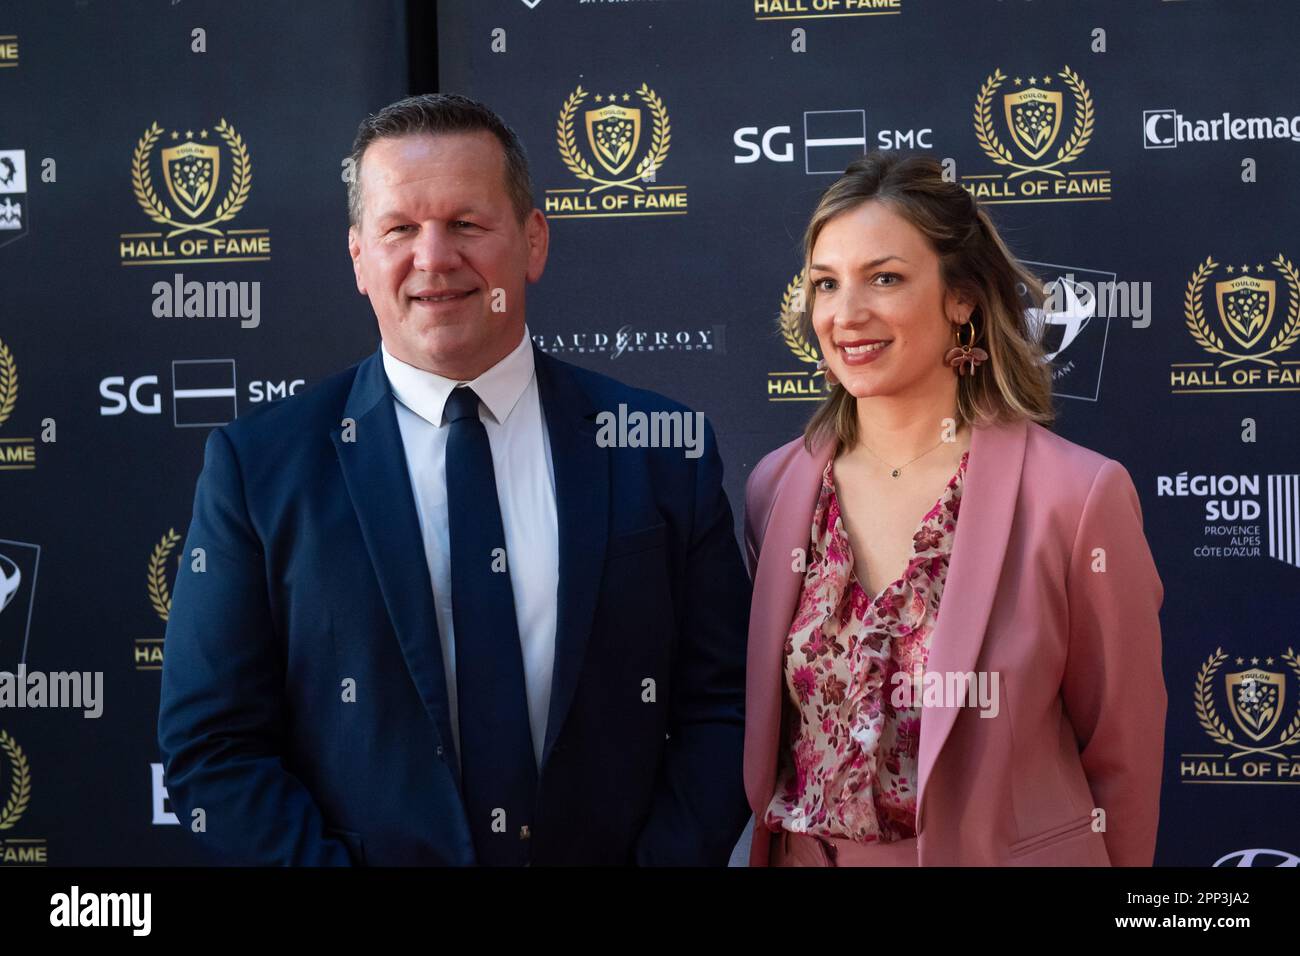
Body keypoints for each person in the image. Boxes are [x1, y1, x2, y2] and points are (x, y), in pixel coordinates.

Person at [158, 93, 751, 866]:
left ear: (533, 241)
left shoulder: (659, 447)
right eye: (399, 229)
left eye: (467, 224)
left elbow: (725, 706)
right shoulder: (259, 466)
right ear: (359, 258)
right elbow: (214, 745)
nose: (433, 258)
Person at [743, 152, 1166, 866]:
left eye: (885, 278)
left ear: (961, 297)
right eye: (825, 284)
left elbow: (1124, 762)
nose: (846, 315)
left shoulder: (1075, 499)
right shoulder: (776, 489)